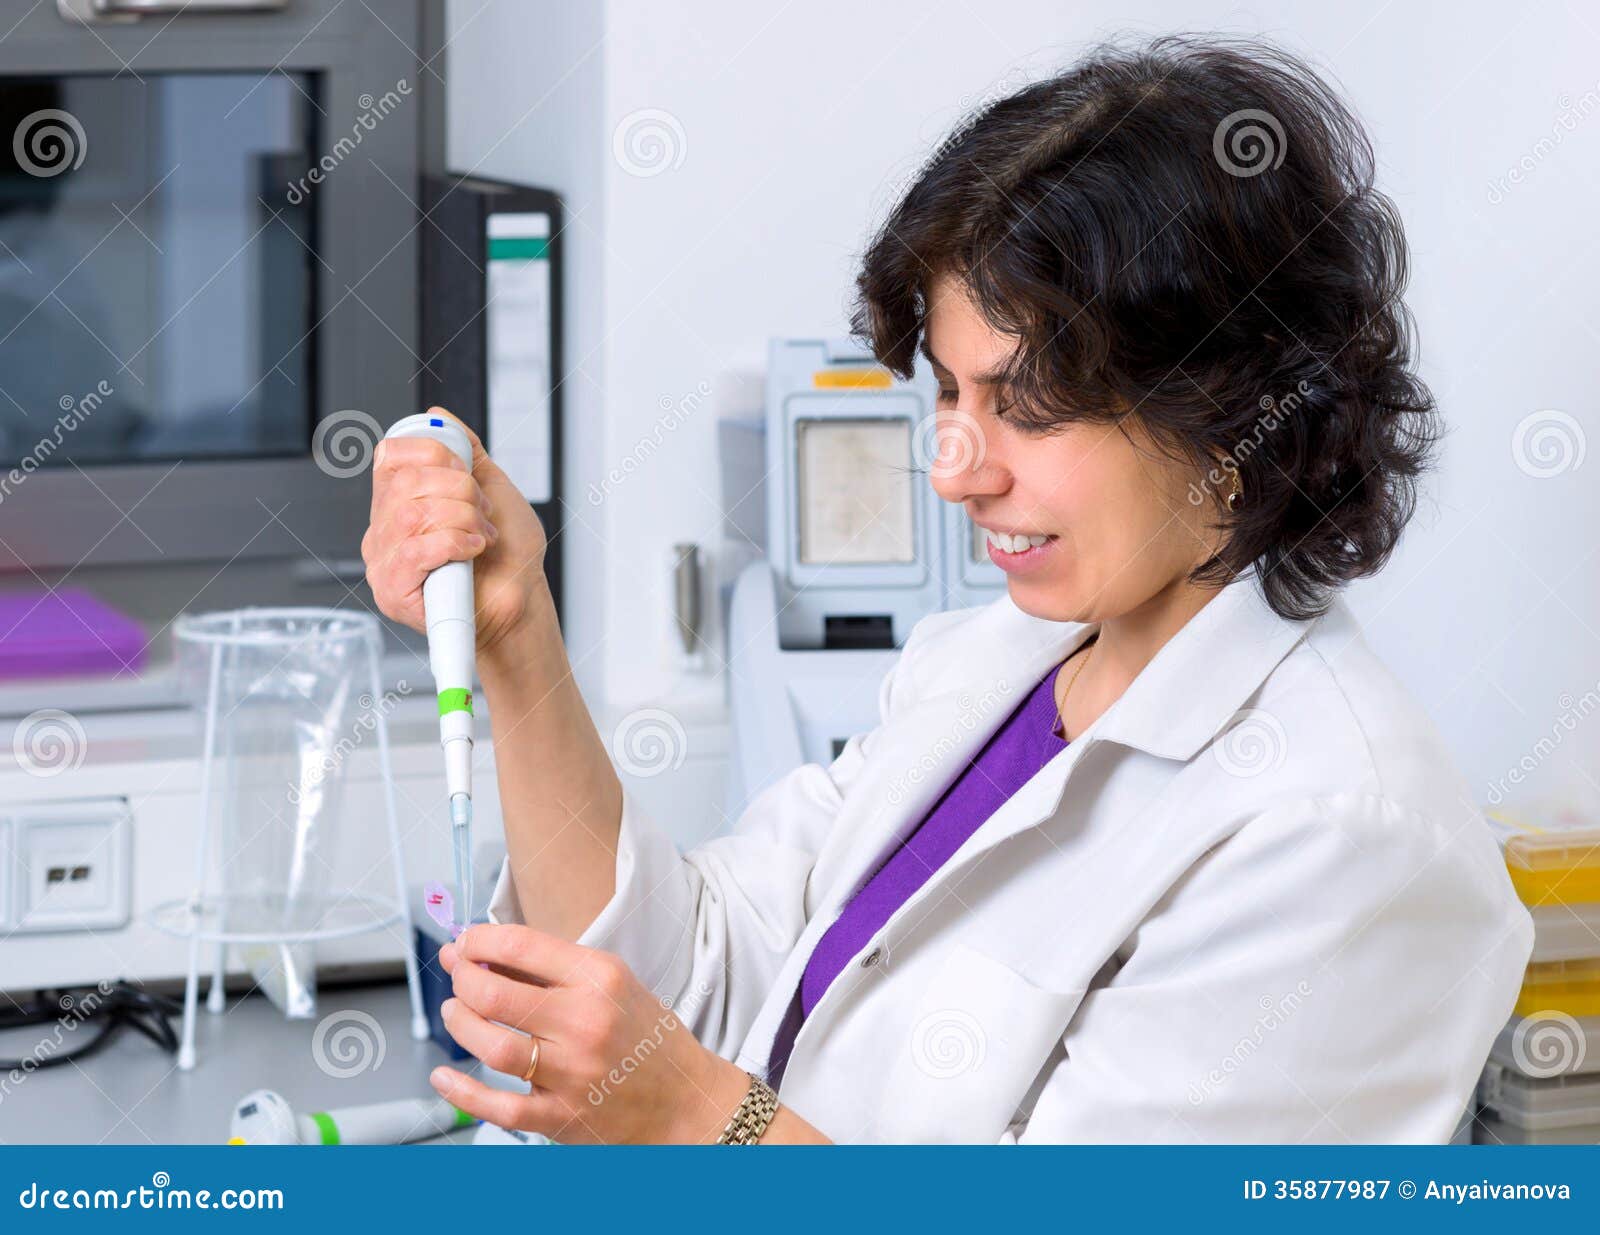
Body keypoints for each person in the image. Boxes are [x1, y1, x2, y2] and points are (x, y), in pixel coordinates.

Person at [363, 34, 1531, 1143]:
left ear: (1225, 397)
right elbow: (687, 979)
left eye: (1023, 402)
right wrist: (517, 634)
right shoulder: (992, 665)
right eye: (949, 394)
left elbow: (688, 1083)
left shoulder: (1340, 833)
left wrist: (694, 1118)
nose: (952, 470)